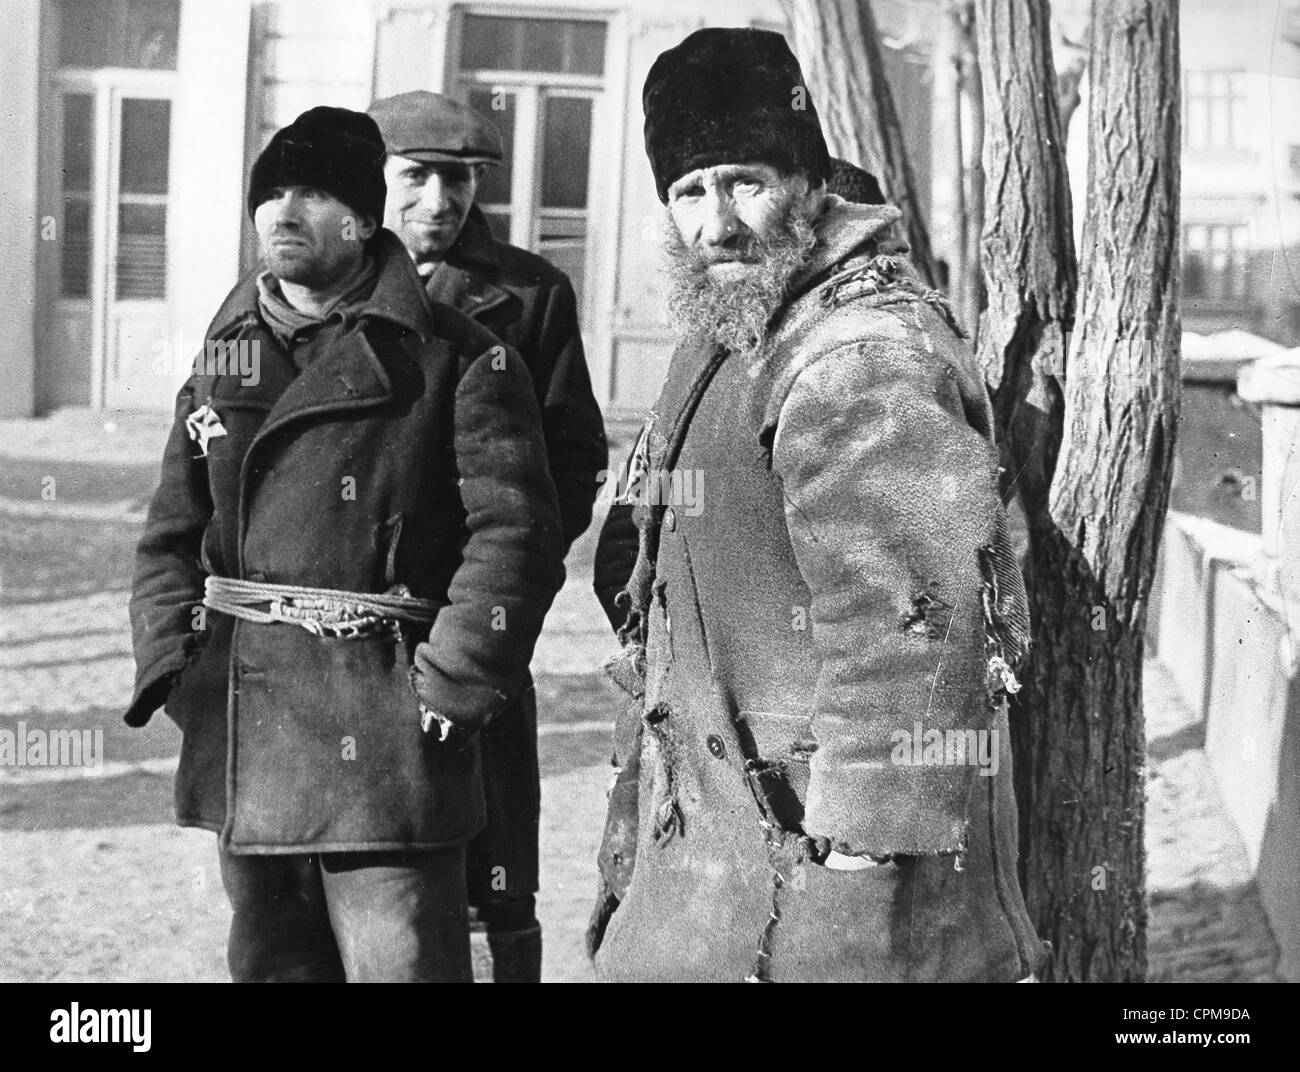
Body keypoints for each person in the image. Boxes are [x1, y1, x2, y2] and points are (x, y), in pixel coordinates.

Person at [586, 27, 1047, 983]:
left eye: (745, 180)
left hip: (831, 868)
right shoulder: (740, 326)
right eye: (688, 191)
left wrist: (851, 876)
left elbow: (911, 633)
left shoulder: (857, 354)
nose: (717, 223)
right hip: (723, 837)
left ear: (807, 180)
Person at [125, 106, 565, 983]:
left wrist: (455, 678)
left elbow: (517, 533)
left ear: (364, 219)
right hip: (252, 728)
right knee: (274, 966)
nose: (283, 214)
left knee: (399, 965)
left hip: (388, 732)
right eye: (270, 194)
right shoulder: (226, 360)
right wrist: (177, 666)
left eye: (313, 194)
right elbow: (171, 531)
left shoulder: (454, 359)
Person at [367, 89, 607, 983]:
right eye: (417, 176)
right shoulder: (317, 292)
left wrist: (505, 567)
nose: (441, 200)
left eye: (460, 179)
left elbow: (573, 451)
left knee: (491, 852)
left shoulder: (529, 294)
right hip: (344, 629)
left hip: (469, 616)